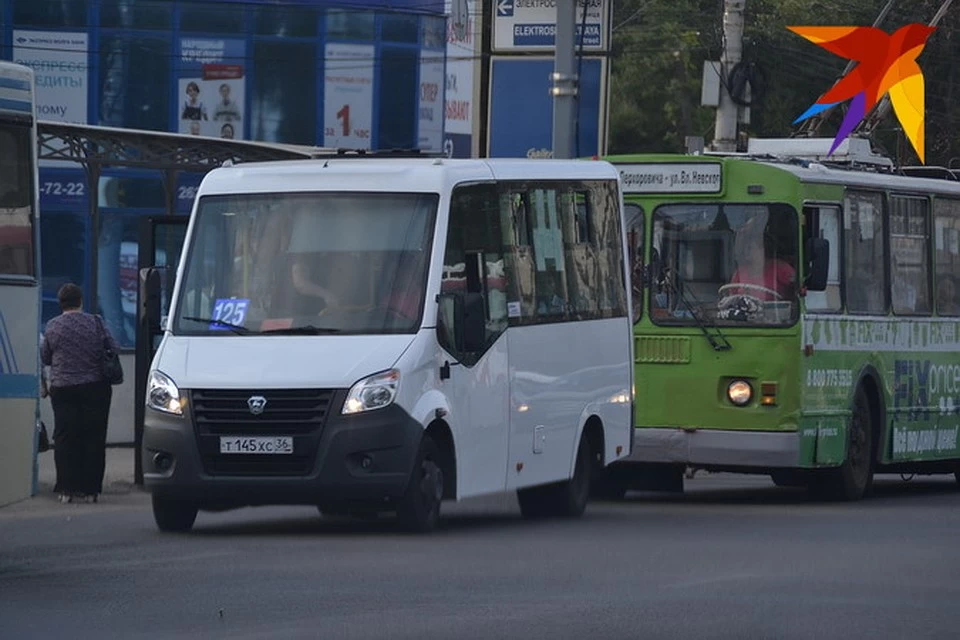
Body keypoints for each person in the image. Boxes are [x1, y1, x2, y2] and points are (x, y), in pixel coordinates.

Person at [40, 283, 118, 504]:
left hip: (63, 389)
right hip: (94, 387)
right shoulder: (96, 322)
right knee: (93, 437)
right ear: (80, 301)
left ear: (61, 304)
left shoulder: (53, 326)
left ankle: (67, 489)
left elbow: (46, 357)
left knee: (65, 437)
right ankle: (91, 489)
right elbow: (114, 347)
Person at [725, 215, 795, 302]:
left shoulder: (781, 268)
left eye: (750, 248)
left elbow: (796, 289)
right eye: (745, 248)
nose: (746, 251)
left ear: (762, 249)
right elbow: (732, 297)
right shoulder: (740, 273)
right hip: (748, 313)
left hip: (777, 314)